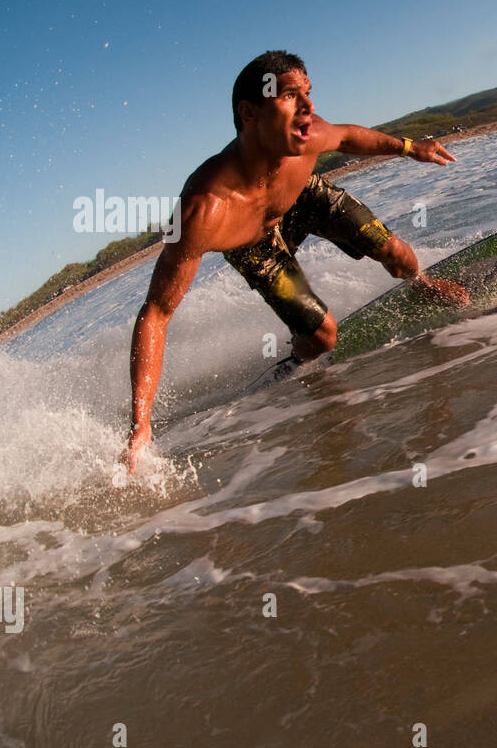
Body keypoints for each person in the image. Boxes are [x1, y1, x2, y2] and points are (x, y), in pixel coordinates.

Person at [122, 50, 468, 471]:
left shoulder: (305, 137)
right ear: (249, 113)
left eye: (308, 93)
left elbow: (348, 137)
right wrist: (141, 423)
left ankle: (423, 287)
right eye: (290, 95)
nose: (308, 106)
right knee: (324, 337)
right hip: (253, 245)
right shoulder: (203, 209)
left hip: (304, 197)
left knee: (395, 253)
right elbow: (156, 312)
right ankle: (299, 359)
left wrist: (410, 147)